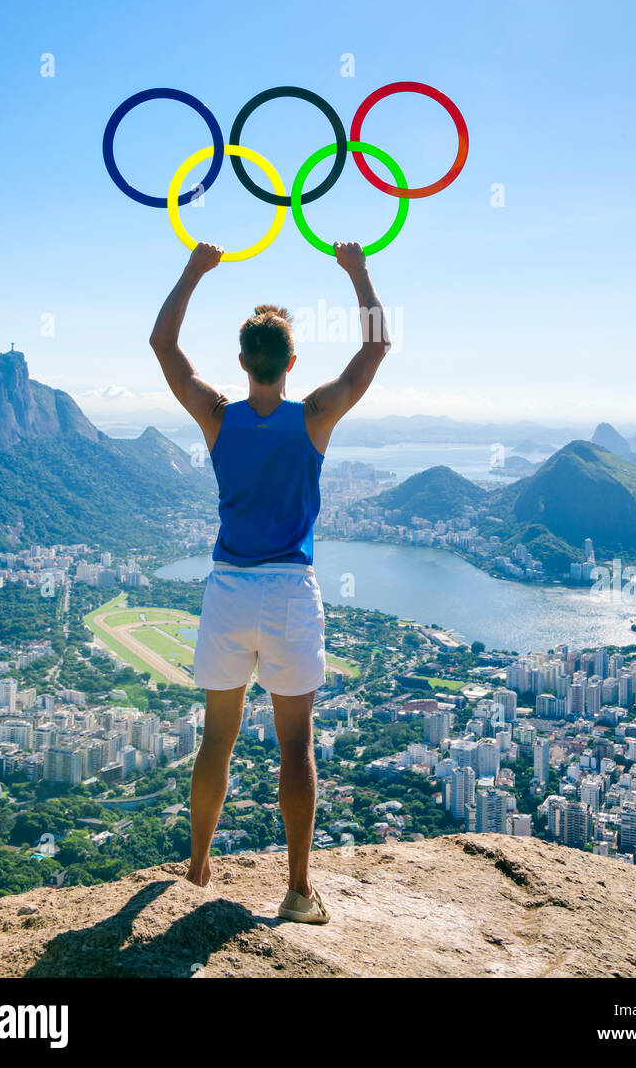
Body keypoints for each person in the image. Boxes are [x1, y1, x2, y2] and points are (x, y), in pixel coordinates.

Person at [149, 240, 391, 924]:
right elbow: (375, 349)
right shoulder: (312, 415)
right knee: (294, 747)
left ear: (241, 362)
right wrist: (356, 270)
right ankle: (296, 890)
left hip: (227, 592)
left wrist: (195, 270)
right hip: (289, 594)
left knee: (215, 739)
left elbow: (163, 344)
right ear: (289, 364)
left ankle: (197, 865)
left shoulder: (216, 417)